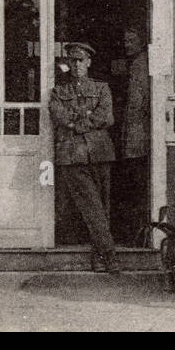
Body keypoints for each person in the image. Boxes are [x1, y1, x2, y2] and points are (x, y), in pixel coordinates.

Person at [49, 41, 119, 273]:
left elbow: (107, 117)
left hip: (100, 153)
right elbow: (59, 116)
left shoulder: (101, 88)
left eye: (81, 60)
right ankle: (109, 255)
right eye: (72, 60)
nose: (77, 64)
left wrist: (78, 123)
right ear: (67, 63)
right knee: (91, 206)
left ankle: (98, 255)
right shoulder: (59, 91)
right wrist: (87, 118)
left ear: (89, 62)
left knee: (102, 207)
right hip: (73, 155)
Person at [114, 25, 150, 243]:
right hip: (136, 130)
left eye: (131, 40)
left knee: (136, 182)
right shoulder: (137, 62)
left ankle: (136, 235)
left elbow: (137, 101)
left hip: (139, 133)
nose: (127, 45)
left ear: (141, 42)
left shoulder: (139, 63)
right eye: (125, 41)